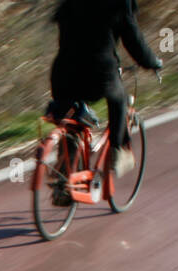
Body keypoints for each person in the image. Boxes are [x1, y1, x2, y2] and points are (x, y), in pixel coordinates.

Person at [48, 0, 163, 177]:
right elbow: (132, 39)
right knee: (120, 98)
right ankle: (118, 151)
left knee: (70, 116)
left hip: (62, 72)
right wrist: (151, 62)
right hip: (99, 71)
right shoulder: (119, 3)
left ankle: (67, 165)